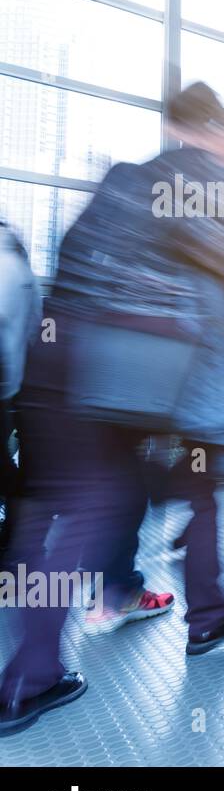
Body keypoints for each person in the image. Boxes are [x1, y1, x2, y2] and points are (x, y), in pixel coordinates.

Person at [0, 83, 224, 735]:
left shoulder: (127, 178)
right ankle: (26, 678)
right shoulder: (198, 176)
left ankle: (208, 610)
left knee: (65, 503)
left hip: (58, 343)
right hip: (122, 358)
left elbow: (78, 259)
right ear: (211, 129)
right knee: (100, 502)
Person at [0, 219, 39, 551]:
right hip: (13, 386)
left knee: (7, 471)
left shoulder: (5, 265)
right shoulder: (21, 267)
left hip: (6, 386)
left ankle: (20, 542)